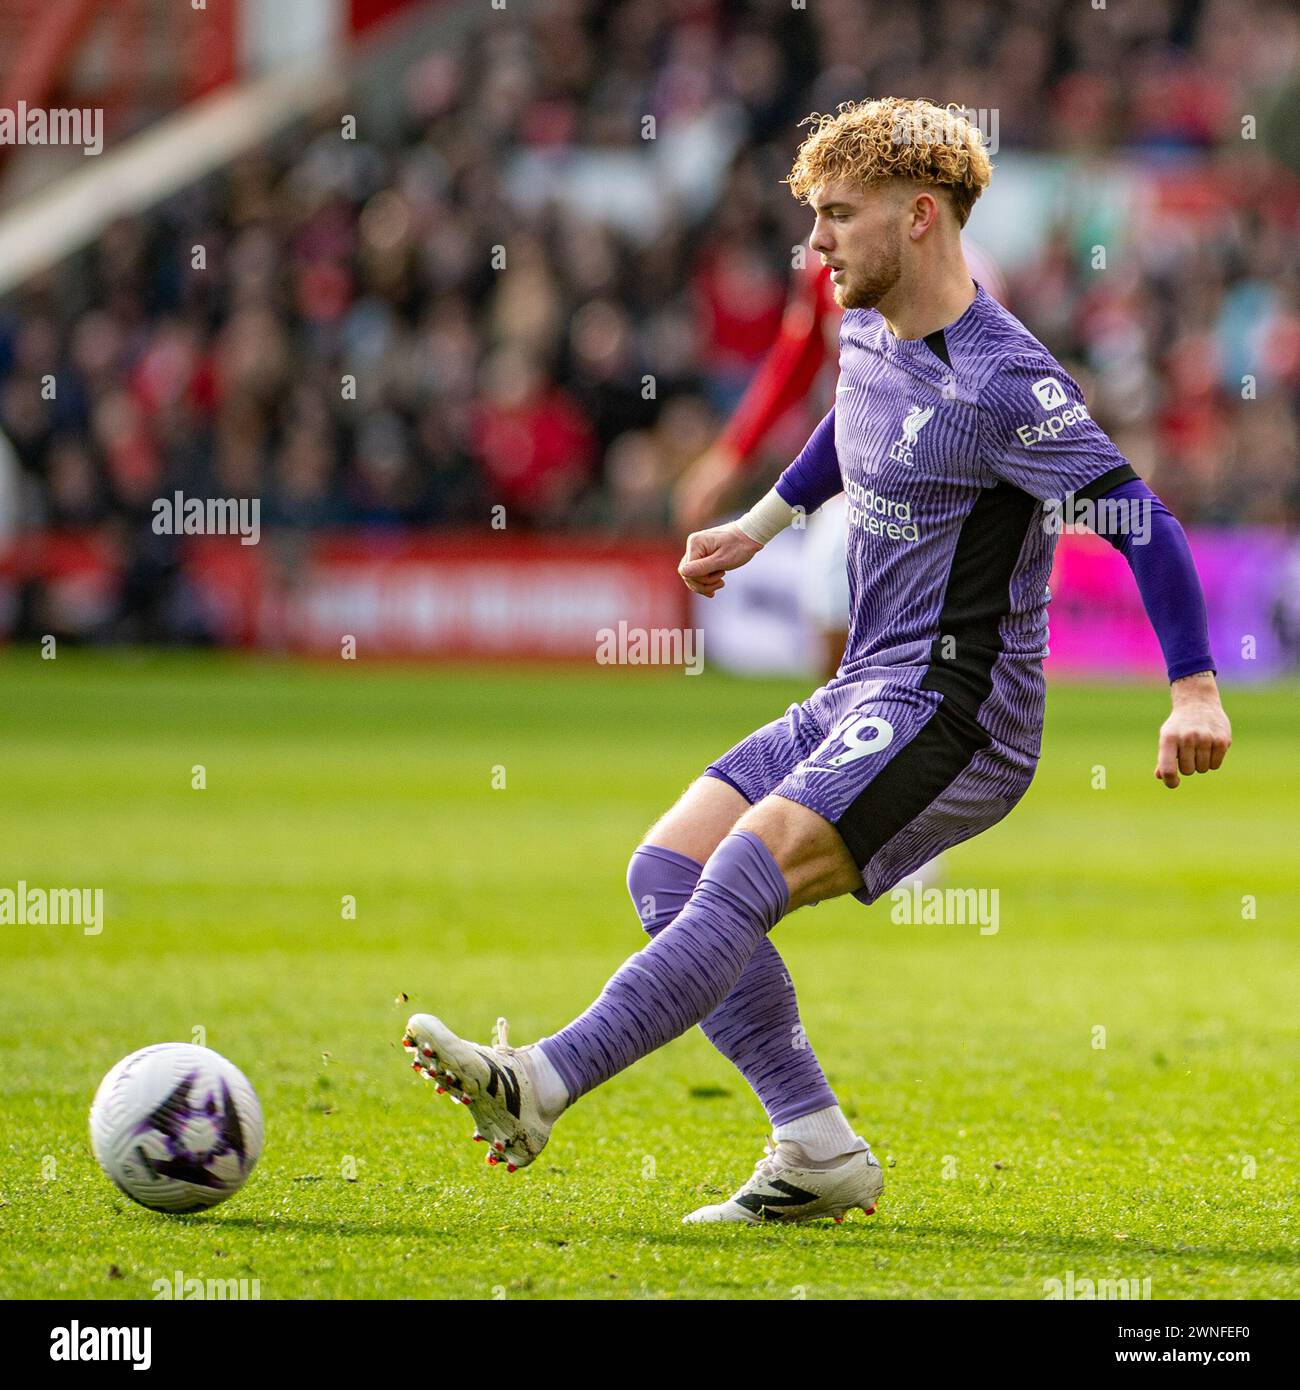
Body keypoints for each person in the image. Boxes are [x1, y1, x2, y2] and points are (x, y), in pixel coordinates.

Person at [401, 98, 1231, 1225]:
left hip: (958, 713)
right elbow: (851, 427)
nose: (817, 243)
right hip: (862, 689)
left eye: (839, 215)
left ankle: (540, 1080)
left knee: (746, 870)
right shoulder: (869, 329)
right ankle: (815, 1145)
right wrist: (759, 525)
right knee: (668, 873)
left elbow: (1140, 519)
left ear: (922, 218)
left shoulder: (1008, 385)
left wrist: (1191, 685)